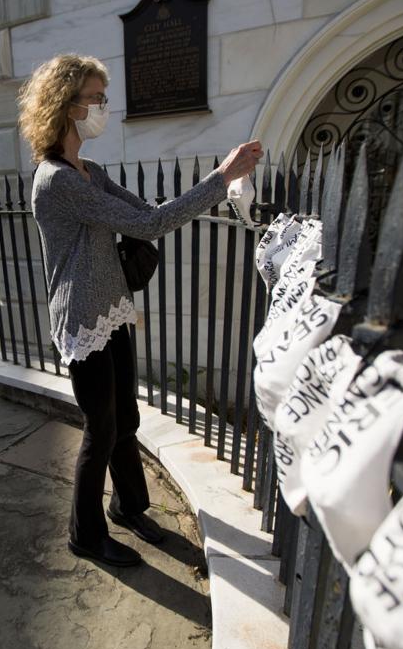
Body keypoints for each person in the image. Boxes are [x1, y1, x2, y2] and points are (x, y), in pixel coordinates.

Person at [19, 54, 261, 568]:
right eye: (95, 98)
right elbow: (150, 228)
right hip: (83, 320)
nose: (102, 107)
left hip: (112, 311)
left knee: (125, 417)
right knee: (101, 430)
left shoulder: (90, 172)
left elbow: (147, 215)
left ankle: (128, 507)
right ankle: (85, 535)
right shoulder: (57, 180)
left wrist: (218, 183)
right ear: (66, 105)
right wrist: (221, 178)